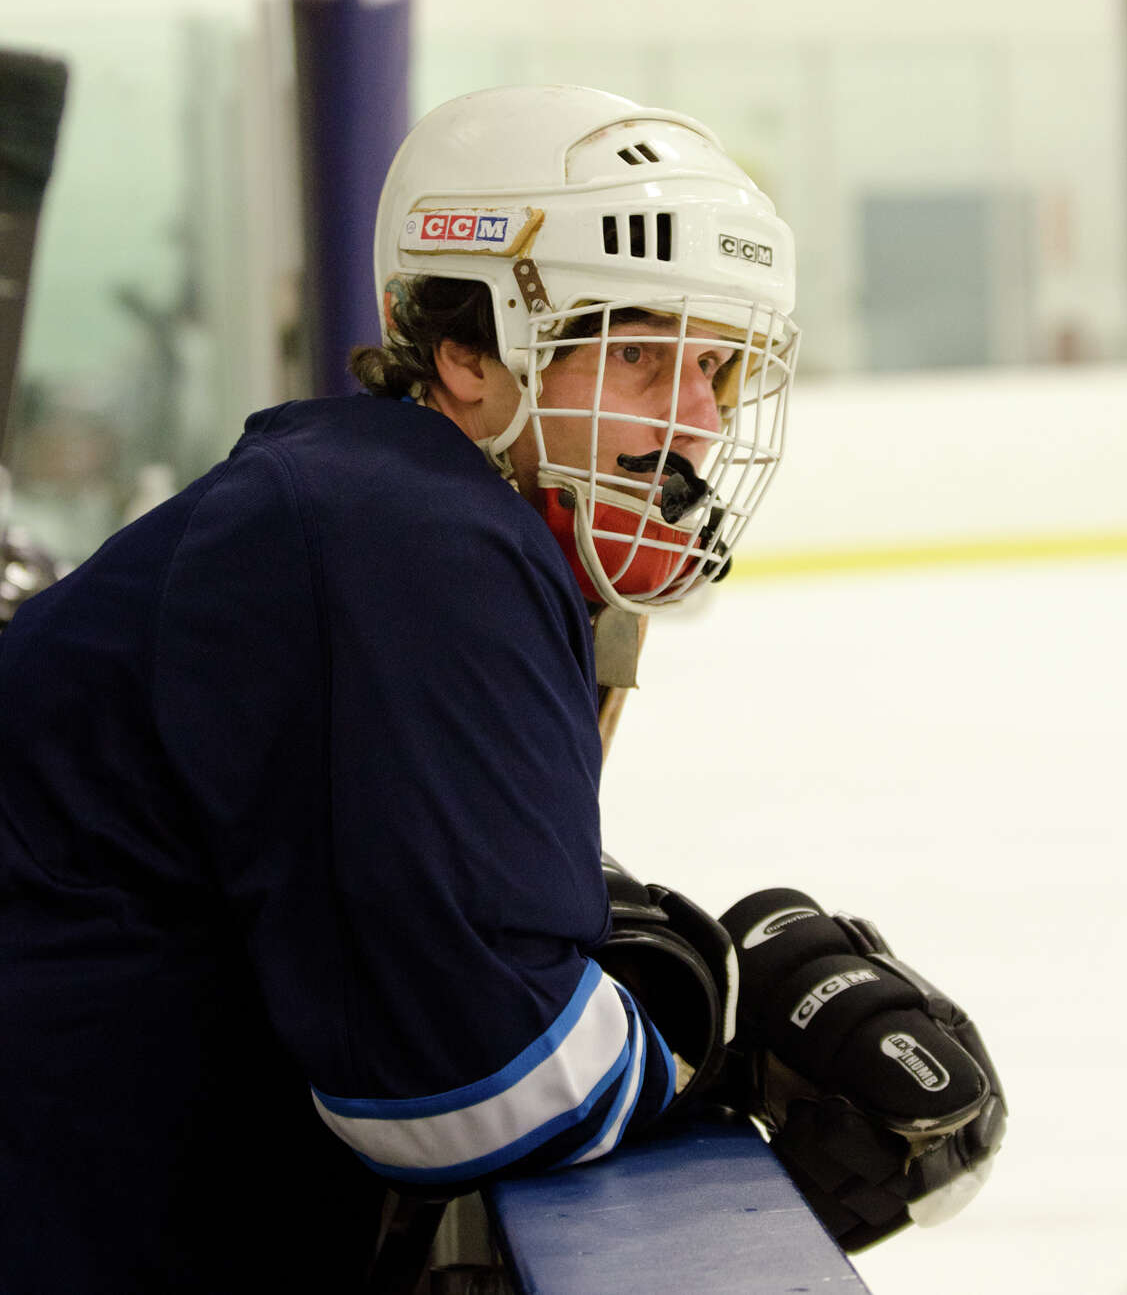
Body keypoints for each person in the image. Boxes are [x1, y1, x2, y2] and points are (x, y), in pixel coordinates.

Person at [0, 85, 1003, 1293]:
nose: (694, 422)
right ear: (467, 349)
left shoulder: (374, 502)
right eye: (641, 354)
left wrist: (629, 961)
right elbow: (474, 1084)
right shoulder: (408, 534)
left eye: (721, 368)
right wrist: (721, 1044)